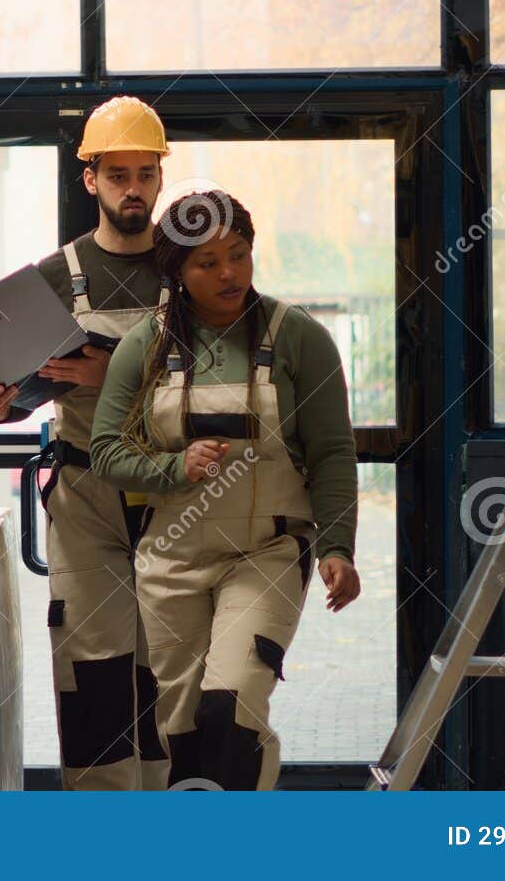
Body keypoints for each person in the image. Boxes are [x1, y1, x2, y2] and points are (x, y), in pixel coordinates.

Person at [88, 189, 360, 791]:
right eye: (207, 263)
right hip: (172, 561)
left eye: (238, 254)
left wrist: (338, 546)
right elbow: (106, 451)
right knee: (180, 731)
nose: (229, 272)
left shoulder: (297, 337)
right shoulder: (148, 344)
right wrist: (174, 469)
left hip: (266, 553)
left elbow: (333, 452)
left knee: (230, 710)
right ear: (177, 273)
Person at [0, 96, 171, 790]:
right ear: (90, 179)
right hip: (88, 501)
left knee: (174, 667)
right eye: (118, 175)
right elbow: (30, 389)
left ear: (161, 178)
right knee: (92, 668)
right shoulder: (55, 281)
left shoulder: (195, 272)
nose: (133, 188)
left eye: (145, 173)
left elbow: (229, 386)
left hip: (182, 497)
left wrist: (115, 372)